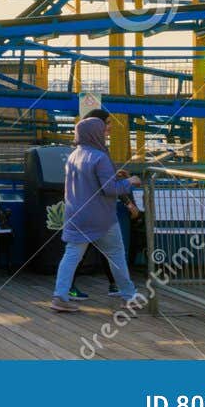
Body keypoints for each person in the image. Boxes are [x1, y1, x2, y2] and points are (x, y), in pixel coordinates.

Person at [50, 117, 142, 313]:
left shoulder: (74, 155)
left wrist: (114, 176)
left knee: (71, 255)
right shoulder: (100, 157)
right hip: (101, 217)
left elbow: (90, 181)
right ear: (95, 133)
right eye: (103, 128)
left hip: (76, 214)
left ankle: (60, 295)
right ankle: (129, 296)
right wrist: (130, 182)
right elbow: (109, 190)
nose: (106, 131)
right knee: (116, 254)